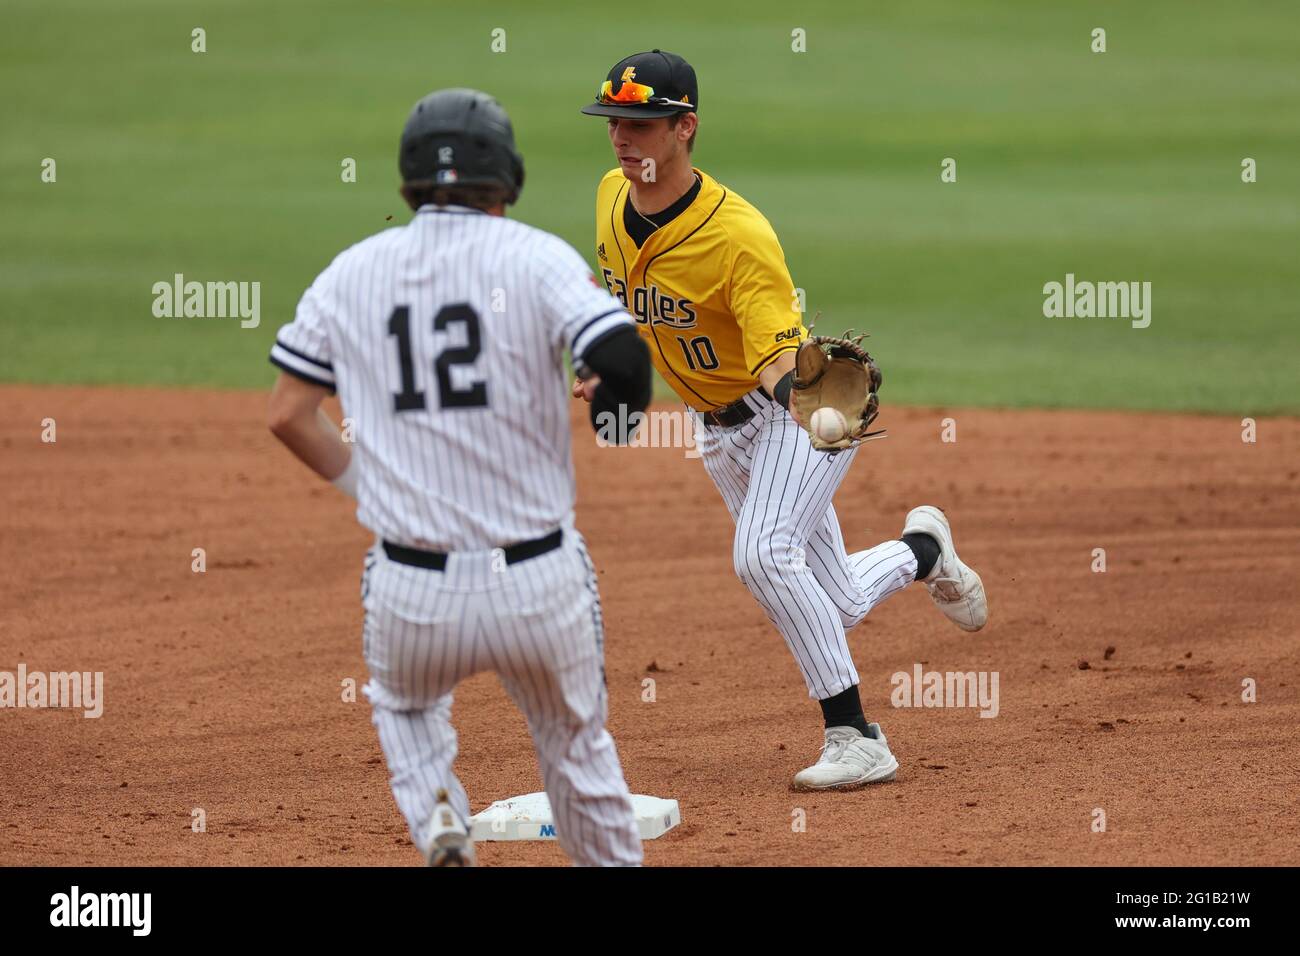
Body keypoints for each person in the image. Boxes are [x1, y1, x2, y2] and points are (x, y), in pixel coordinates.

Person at [576, 52, 988, 791]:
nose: (621, 138)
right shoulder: (612, 198)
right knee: (840, 601)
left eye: (640, 123)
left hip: (794, 420)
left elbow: (774, 358)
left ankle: (855, 736)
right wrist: (603, 358)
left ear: (684, 127)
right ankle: (925, 550)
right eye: (613, 121)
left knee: (763, 555)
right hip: (717, 435)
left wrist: (811, 404)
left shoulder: (739, 235)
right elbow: (623, 299)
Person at [268, 87, 651, 864]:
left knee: (407, 711)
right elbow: (624, 362)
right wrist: (612, 410)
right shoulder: (537, 257)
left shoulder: (351, 272)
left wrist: (369, 491)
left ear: (408, 180)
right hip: (538, 583)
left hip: (413, 589)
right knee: (575, 748)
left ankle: (441, 814)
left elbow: (288, 414)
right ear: (507, 176)